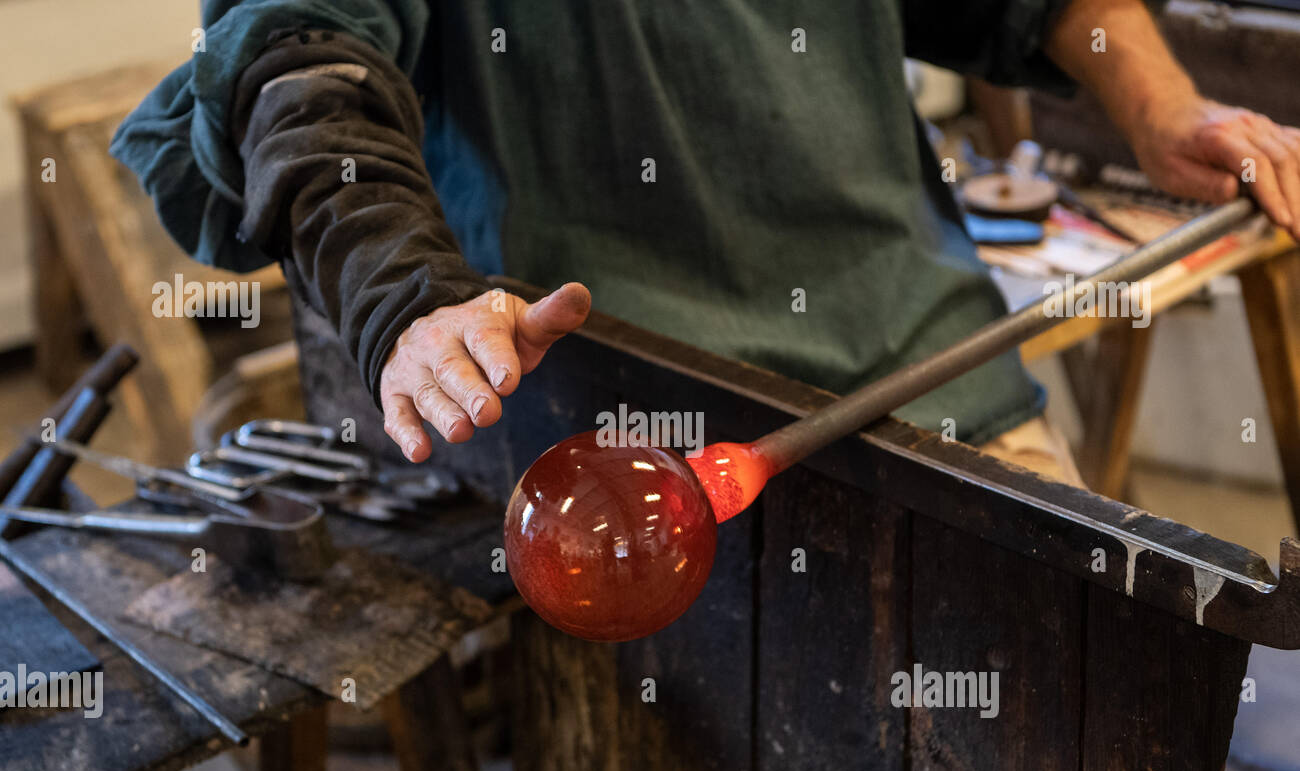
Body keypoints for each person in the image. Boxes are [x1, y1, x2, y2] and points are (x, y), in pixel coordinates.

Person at [112, 1, 1300, 483]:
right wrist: (406, 301)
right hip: (631, 435)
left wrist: (1161, 109)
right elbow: (302, 71)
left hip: (937, 389)